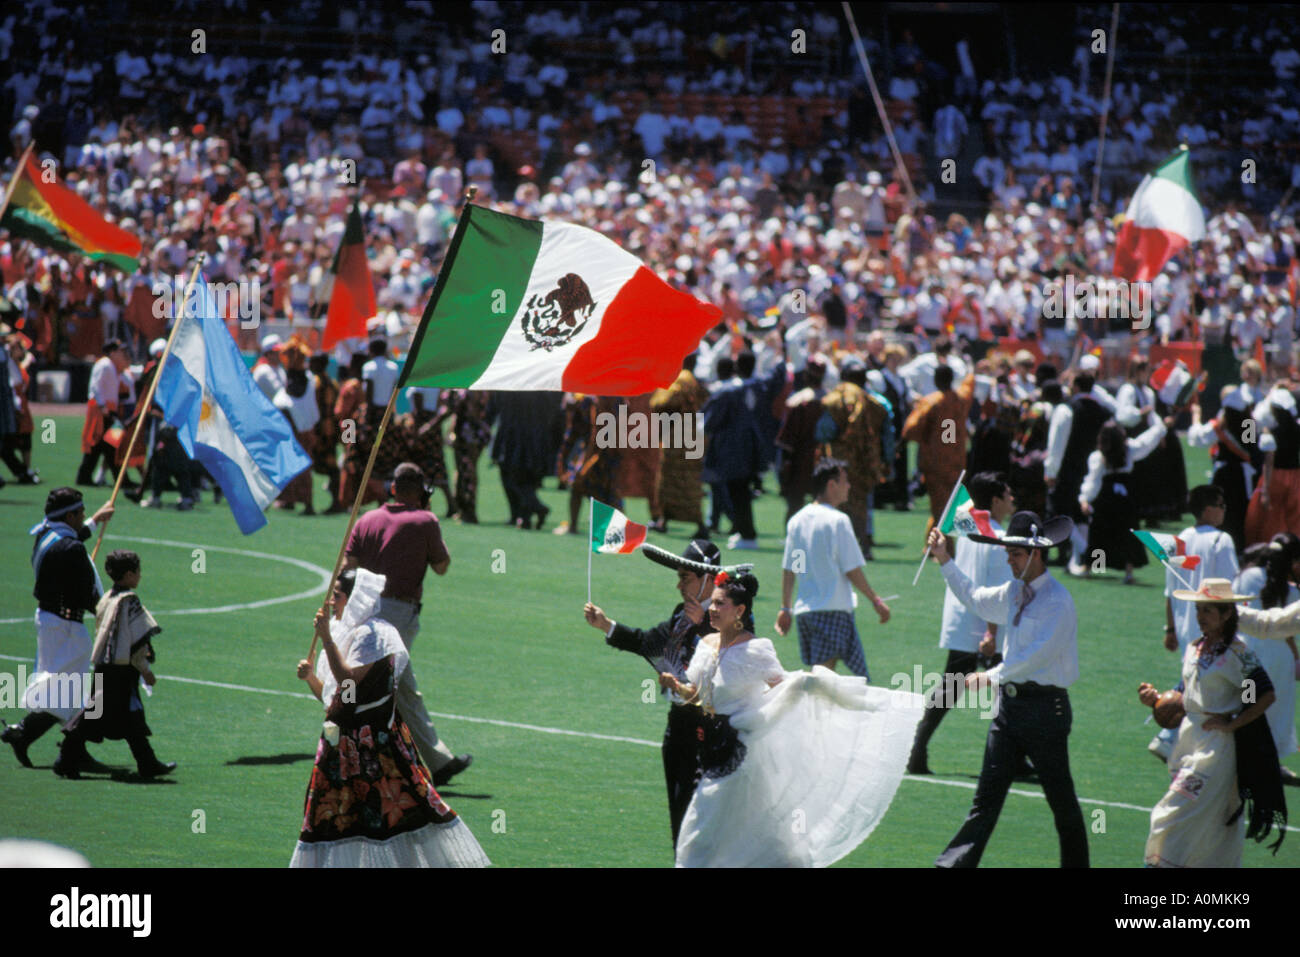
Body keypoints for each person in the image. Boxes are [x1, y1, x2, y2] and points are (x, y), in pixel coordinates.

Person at [663, 571, 922, 867]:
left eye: (721, 604)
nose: (712, 608)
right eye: (714, 603)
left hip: (740, 752)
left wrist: (809, 685)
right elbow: (695, 694)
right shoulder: (706, 644)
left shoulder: (756, 650)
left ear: (739, 611)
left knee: (701, 829)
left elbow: (783, 687)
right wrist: (676, 686)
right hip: (711, 747)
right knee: (757, 827)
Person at [291, 568, 489, 867]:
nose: (331, 601)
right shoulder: (345, 631)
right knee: (331, 818)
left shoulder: (376, 635)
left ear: (356, 599)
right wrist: (311, 678)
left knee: (397, 812)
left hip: (374, 745)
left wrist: (327, 639)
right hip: (341, 746)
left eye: (338, 595)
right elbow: (339, 700)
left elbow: (349, 683)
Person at [925, 512, 1090, 867]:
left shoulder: (1058, 602)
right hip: (1009, 711)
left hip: (1046, 712)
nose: (1008, 559)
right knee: (985, 800)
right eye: (1009, 552)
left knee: (1061, 802)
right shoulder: (1015, 591)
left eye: (1015, 553)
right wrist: (945, 560)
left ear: (1035, 554)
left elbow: (1034, 657)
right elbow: (975, 599)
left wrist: (991, 676)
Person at [582, 539, 722, 846]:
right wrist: (606, 625)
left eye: (685, 578)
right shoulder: (679, 615)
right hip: (678, 727)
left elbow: (730, 663)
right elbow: (648, 642)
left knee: (702, 820)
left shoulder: (729, 618)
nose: (679, 585)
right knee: (679, 816)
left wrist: (701, 627)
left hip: (710, 731)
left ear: (708, 580)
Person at [1139, 578, 1286, 866]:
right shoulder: (1196, 647)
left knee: (1171, 811)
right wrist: (1156, 699)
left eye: (1208, 610)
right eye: (1199, 609)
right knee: (1215, 821)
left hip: (1215, 748)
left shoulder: (1237, 654)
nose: (1200, 616)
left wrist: (1233, 722)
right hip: (1188, 739)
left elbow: (1263, 693)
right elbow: (1188, 691)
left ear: (1227, 614)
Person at [344, 462, 471, 786]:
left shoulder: (367, 519)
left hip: (361, 608)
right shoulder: (425, 520)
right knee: (392, 685)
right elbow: (442, 566)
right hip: (398, 611)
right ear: (421, 492)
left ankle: (433, 760)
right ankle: (380, 759)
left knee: (397, 686)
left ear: (392, 488)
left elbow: (348, 567)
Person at [908, 471, 1015, 774]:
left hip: (962, 619)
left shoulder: (969, 528)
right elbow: (995, 587)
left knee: (952, 688)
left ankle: (917, 747)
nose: (1012, 498)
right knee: (1008, 687)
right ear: (995, 500)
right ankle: (1008, 758)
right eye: (1007, 494)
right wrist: (991, 632)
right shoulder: (997, 536)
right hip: (984, 625)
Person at [2, 488, 115, 769]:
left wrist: (94, 522)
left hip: (50, 619)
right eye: (82, 513)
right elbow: (85, 594)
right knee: (68, 690)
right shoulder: (71, 549)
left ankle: (66, 748)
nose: (85, 516)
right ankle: (28, 735)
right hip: (66, 625)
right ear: (69, 514)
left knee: (64, 688)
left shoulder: (46, 535)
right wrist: (108, 614)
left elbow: (69, 539)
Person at [54, 550, 175, 779]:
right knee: (118, 715)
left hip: (103, 667)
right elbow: (136, 643)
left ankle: (146, 763)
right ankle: (66, 761)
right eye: (138, 572)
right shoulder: (129, 602)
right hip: (121, 671)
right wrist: (146, 671)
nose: (140, 576)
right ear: (129, 574)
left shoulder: (106, 598)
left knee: (106, 715)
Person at [776, 458, 891, 681]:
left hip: (806, 612)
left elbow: (793, 568)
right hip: (833, 609)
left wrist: (786, 607)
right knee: (824, 680)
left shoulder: (797, 521)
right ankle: (807, 714)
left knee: (827, 678)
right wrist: (876, 600)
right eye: (845, 481)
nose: (848, 487)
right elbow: (852, 569)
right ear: (831, 485)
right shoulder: (838, 521)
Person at [1150, 484, 1241, 761]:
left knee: (1195, 681)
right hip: (1213, 625)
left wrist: (1169, 628)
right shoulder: (1220, 541)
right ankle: (1171, 737)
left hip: (1185, 623)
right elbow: (1231, 588)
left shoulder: (1178, 540)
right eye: (1221, 505)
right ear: (1208, 509)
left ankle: (1173, 738)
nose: (1224, 510)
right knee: (1209, 687)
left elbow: (1169, 590)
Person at [1233, 535, 1300, 784]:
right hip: (1279, 659)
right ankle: (1272, 763)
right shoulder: (1292, 592)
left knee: (1247, 705)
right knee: (1276, 709)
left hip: (1247, 654)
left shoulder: (1246, 576)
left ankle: (1240, 760)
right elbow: (1287, 631)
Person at [1077, 415, 1167, 583]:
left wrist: (1085, 499)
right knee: (1127, 534)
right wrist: (1158, 423)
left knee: (1099, 532)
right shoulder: (1129, 450)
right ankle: (1128, 573)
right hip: (1126, 498)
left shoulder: (1098, 457)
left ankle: (1096, 567)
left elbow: (1093, 480)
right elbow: (1147, 441)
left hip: (1105, 499)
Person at [903, 364, 975, 538]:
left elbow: (911, 429)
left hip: (936, 463)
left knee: (941, 506)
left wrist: (911, 440)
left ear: (936, 380)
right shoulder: (961, 399)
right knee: (948, 503)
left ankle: (946, 548)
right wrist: (971, 370)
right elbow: (969, 386)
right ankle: (930, 543)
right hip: (957, 462)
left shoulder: (932, 401)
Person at [76, 339, 130, 486]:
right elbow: (95, 386)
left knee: (104, 445)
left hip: (108, 409)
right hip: (102, 410)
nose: (122, 354)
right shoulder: (105, 364)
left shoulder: (111, 366)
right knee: (106, 443)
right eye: (119, 351)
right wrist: (102, 406)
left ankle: (85, 477)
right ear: (112, 352)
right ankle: (121, 480)